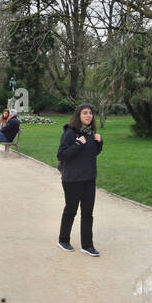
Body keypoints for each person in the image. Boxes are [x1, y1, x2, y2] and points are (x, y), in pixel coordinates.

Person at [56, 105, 103, 256]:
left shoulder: (91, 133)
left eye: (90, 113)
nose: (89, 115)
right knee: (71, 210)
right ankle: (63, 240)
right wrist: (77, 143)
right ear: (79, 115)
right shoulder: (70, 133)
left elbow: (93, 153)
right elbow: (61, 155)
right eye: (85, 113)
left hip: (89, 178)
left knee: (88, 213)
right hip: (72, 179)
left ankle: (87, 245)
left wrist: (99, 143)